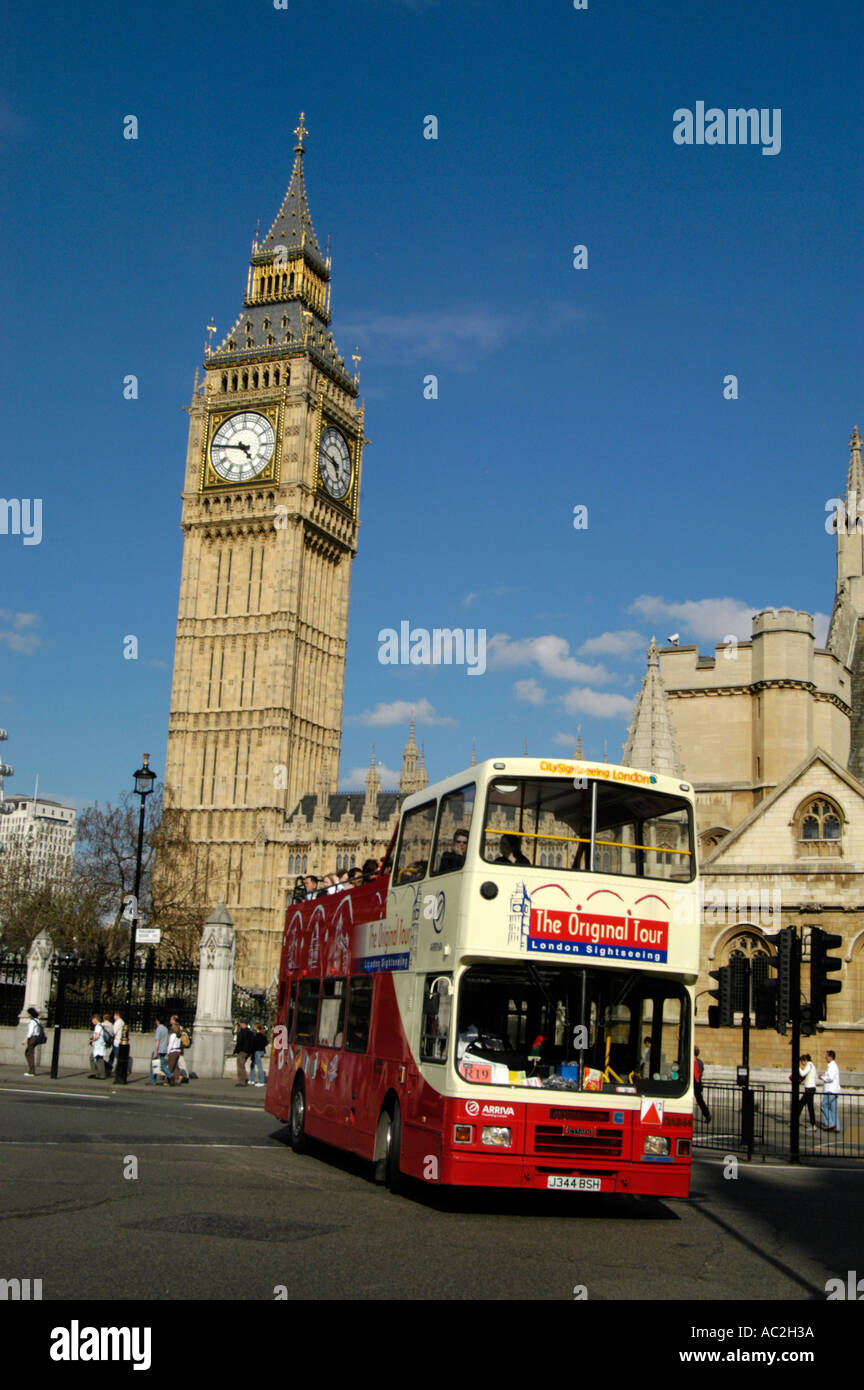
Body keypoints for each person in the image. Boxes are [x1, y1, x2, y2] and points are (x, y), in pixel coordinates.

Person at [819, 1050, 841, 1131]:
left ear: (830, 1057)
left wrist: (822, 1077)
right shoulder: (833, 1066)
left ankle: (830, 1123)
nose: (825, 1057)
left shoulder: (832, 1066)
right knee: (833, 1109)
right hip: (834, 1090)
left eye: (826, 1056)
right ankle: (837, 1127)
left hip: (830, 1090)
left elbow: (830, 1078)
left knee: (823, 1106)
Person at [234, 1018, 256, 1087]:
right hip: (248, 1051)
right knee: (242, 1064)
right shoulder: (250, 1032)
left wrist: (236, 1050)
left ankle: (242, 1080)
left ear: (243, 1024)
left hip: (242, 1050)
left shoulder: (242, 1032)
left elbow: (239, 1042)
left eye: (241, 1023)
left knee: (240, 1065)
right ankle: (245, 1077)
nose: (240, 1025)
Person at [797, 1053, 818, 1128]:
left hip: (809, 1089)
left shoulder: (809, 1065)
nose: (802, 1064)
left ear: (804, 1060)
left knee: (804, 1105)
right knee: (803, 1105)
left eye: (802, 1062)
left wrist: (798, 1068)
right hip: (811, 1088)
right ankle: (813, 1125)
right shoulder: (812, 1065)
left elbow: (802, 1074)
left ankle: (813, 1125)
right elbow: (815, 1076)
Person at [150, 1015, 171, 1084]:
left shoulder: (159, 1029)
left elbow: (157, 1041)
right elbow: (168, 1041)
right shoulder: (166, 1029)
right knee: (158, 1064)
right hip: (164, 1049)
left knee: (157, 1065)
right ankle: (153, 1080)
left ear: (158, 1021)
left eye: (156, 1021)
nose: (155, 1022)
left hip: (159, 1049)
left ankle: (170, 1075)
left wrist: (155, 1051)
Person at [22, 1006, 42, 1076]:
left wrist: (25, 1039)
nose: (28, 1015)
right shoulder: (37, 1020)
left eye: (28, 1013)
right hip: (36, 1038)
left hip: (32, 1038)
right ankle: (31, 1070)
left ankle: (32, 1071)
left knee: (30, 1054)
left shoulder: (32, 1022)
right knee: (28, 1053)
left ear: (31, 1014)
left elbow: (30, 1032)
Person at [693, 1047, 711, 1123]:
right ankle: (707, 1114)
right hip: (698, 1082)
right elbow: (701, 1072)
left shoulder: (692, 1061)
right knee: (700, 1100)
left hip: (693, 1082)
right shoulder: (700, 1062)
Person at [89, 1014, 109, 1079]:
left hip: (99, 1046)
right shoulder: (100, 1025)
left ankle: (101, 1075)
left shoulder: (98, 1026)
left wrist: (92, 1040)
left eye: (92, 1020)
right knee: (93, 1058)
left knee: (99, 1060)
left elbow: (97, 1036)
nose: (92, 1021)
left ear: (95, 1019)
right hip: (98, 1046)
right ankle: (95, 1073)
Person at [248, 1022, 268, 1087]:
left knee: (258, 1066)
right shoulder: (263, 1035)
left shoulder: (257, 1035)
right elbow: (266, 1043)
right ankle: (252, 1079)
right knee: (253, 1065)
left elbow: (254, 1044)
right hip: (261, 1051)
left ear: (256, 1028)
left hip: (257, 1051)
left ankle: (261, 1081)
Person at [164, 1021, 184, 1085]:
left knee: (170, 1067)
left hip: (173, 1052)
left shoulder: (173, 1035)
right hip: (178, 1052)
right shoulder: (179, 1035)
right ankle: (178, 1077)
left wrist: (167, 1052)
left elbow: (170, 1044)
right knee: (175, 1066)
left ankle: (169, 1080)